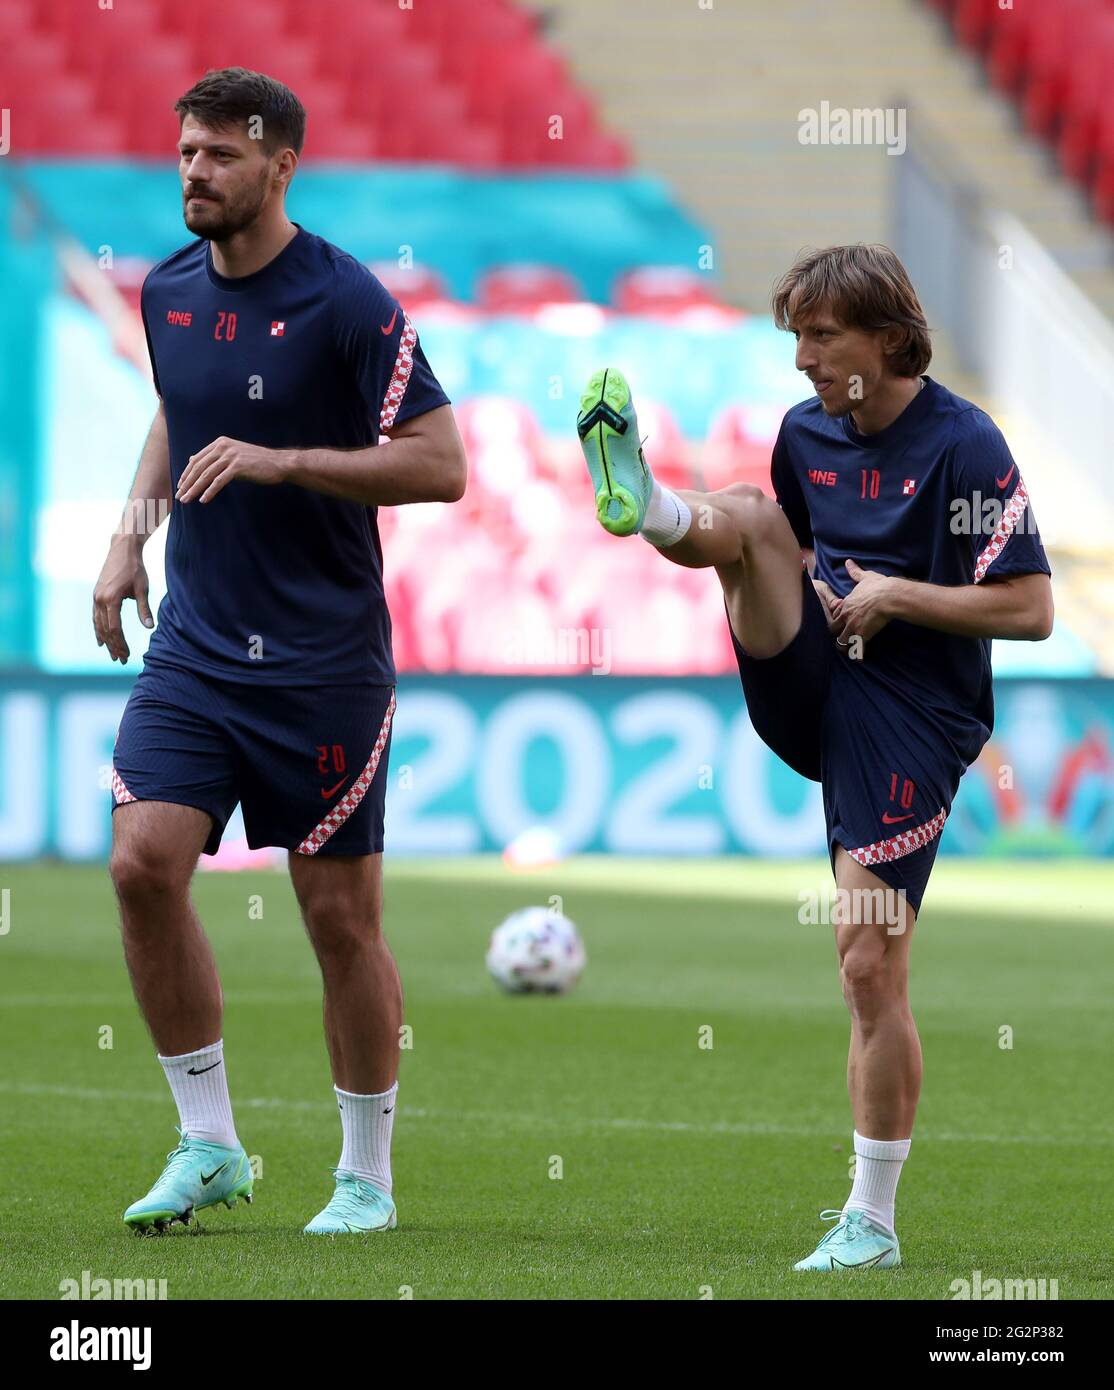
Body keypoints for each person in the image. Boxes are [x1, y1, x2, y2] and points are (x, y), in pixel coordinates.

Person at [575, 243, 1053, 1270]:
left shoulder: (967, 447)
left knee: (866, 961)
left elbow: (1031, 607)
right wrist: (838, 596)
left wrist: (894, 593)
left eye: (819, 333)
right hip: (811, 674)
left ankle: (870, 1222)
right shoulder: (805, 433)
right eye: (792, 333)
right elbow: (777, 554)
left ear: (887, 338)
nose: (798, 356)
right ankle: (647, 505)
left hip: (913, 716)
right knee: (747, 513)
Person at [94, 68, 465, 1236]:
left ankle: (365, 1175)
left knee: (336, 918)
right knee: (141, 863)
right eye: (185, 152)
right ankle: (208, 1143)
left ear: (280, 164)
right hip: (197, 645)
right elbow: (177, 410)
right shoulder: (164, 290)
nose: (194, 172)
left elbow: (441, 464)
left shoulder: (349, 303)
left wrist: (287, 457)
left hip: (322, 657)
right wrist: (125, 543)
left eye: (217, 154)